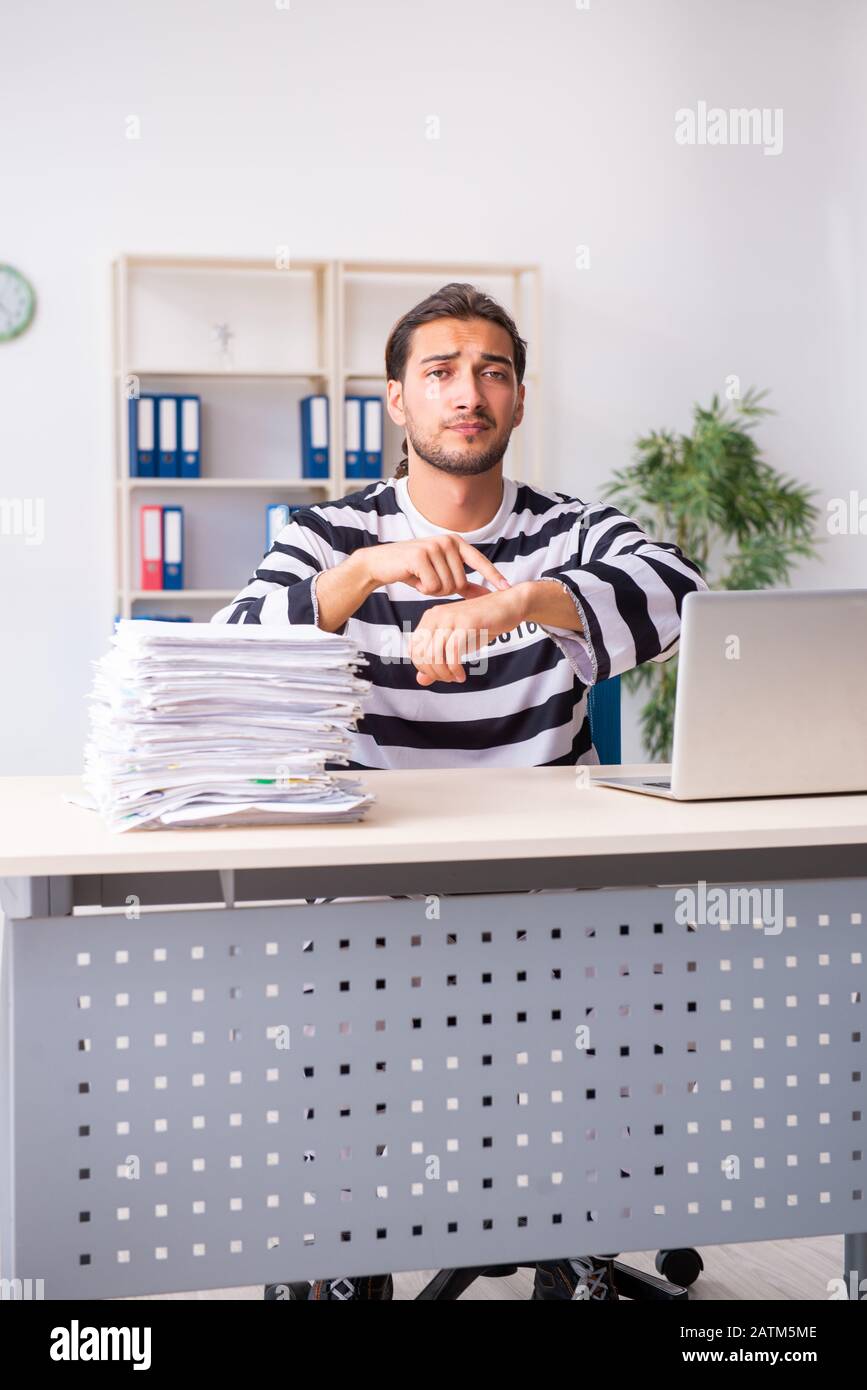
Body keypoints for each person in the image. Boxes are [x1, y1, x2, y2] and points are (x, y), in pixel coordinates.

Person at [211, 282, 708, 1299]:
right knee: (333, 1012)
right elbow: (225, 658)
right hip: (374, 877)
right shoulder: (325, 533)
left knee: (658, 982)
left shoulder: (572, 528)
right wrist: (364, 576)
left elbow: (685, 593)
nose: (466, 392)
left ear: (520, 399)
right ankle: (346, 1252)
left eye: (491, 372)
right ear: (397, 400)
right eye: (438, 372)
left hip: (547, 884)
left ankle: (576, 1216)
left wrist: (527, 599)